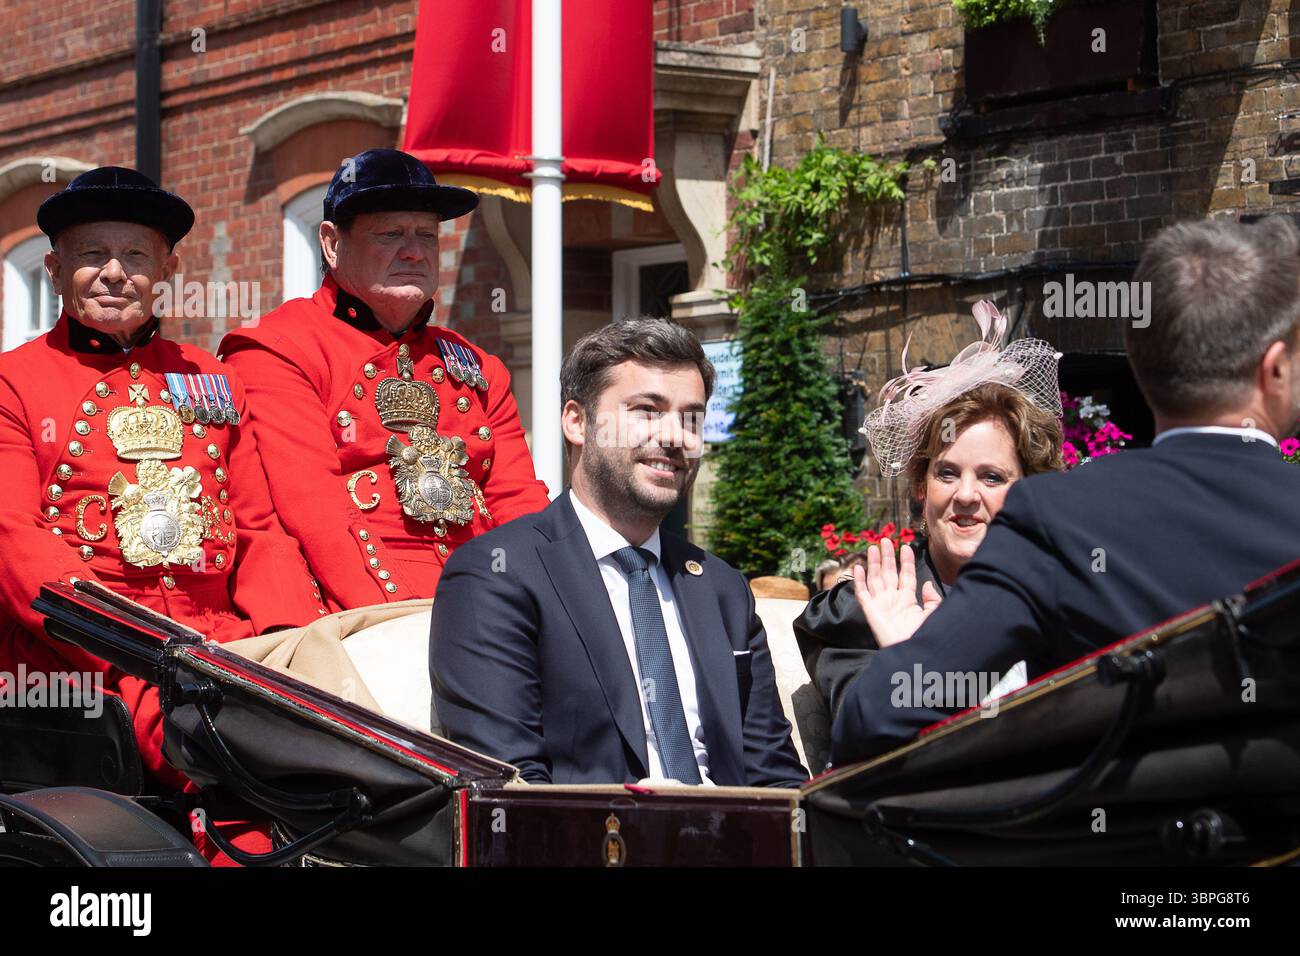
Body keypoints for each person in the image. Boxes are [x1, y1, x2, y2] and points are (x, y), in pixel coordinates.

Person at [833, 215, 1300, 765]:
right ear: (1274, 369)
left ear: (1143, 362)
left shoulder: (1057, 516)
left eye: (990, 476)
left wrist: (916, 654)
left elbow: (875, 716)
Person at [0, 167, 327, 786]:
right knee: (251, 781)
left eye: (135, 255)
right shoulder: (13, 381)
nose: (115, 272)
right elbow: (13, 538)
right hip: (85, 658)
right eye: (92, 254)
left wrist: (286, 645)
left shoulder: (210, 377)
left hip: (225, 648)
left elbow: (258, 526)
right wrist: (139, 647)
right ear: (52, 269)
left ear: (168, 272)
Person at [430, 318, 808, 787]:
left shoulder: (721, 588)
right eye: (647, 410)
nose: (675, 437)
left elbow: (774, 777)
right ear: (577, 421)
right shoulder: (496, 576)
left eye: (691, 417)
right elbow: (508, 790)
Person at [219, 148, 550, 608]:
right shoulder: (278, 349)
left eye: (426, 235)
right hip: (363, 615)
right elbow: (316, 516)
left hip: (488, 601)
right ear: (333, 244)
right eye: (391, 234)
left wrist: (541, 605)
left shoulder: (479, 368)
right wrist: (409, 620)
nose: (414, 251)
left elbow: (517, 501)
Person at [795, 301, 1064, 720]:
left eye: (992, 477)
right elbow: (860, 736)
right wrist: (915, 661)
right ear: (922, 486)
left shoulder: (1062, 596)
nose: (966, 495)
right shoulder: (862, 610)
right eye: (948, 474)